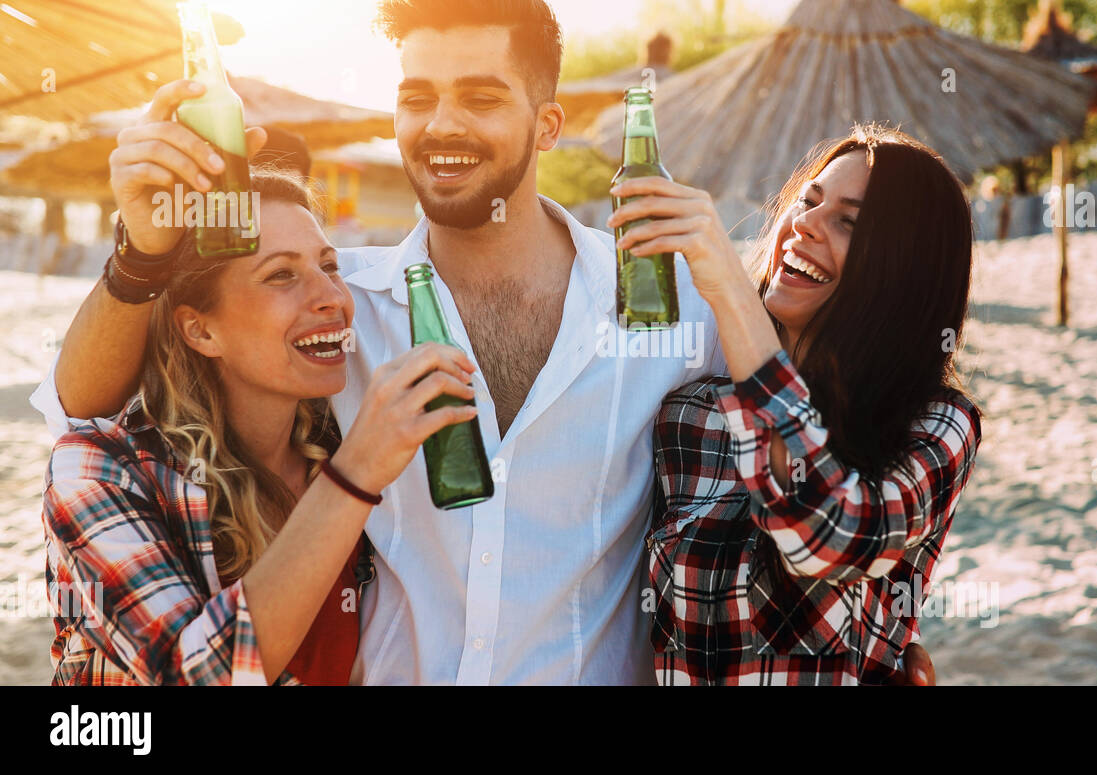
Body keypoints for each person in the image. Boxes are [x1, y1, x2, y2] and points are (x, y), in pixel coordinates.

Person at [31, 0, 934, 685]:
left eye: (479, 96)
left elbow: (831, 459)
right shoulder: (343, 314)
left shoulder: (677, 315)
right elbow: (84, 408)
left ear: (546, 126)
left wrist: (888, 639)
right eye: (417, 97)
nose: (442, 125)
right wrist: (142, 251)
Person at [41, 168, 479, 684]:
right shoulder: (101, 472)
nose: (333, 299)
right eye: (281, 275)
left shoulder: (328, 441)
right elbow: (197, 676)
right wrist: (357, 470)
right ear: (200, 329)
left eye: (330, 266)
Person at [608, 125, 981, 684]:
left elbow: (834, 539)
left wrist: (731, 291)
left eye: (848, 221)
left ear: (905, 266)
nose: (803, 223)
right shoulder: (688, 416)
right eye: (808, 201)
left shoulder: (937, 425)